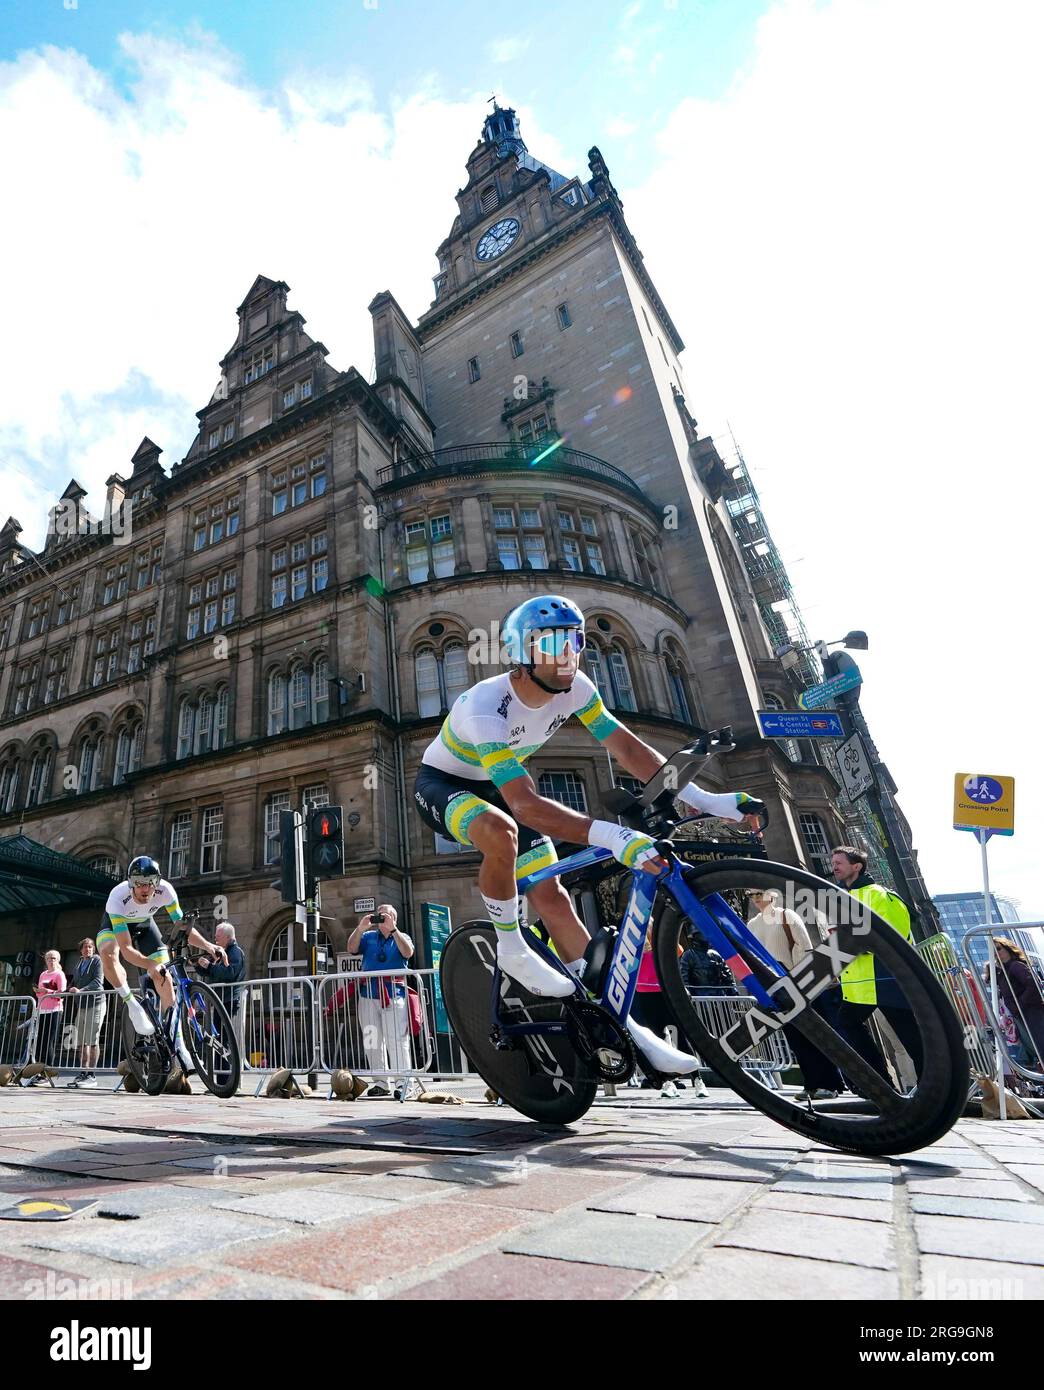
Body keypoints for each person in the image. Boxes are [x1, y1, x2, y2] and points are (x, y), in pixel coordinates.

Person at [412, 594, 763, 1081]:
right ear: (523, 651)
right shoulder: (485, 707)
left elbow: (624, 745)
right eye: (554, 642)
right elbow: (527, 803)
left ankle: (630, 1031)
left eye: (575, 642)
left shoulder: (576, 686)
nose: (567, 655)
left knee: (553, 896)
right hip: (445, 785)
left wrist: (706, 800)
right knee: (502, 829)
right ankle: (511, 947)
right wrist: (615, 837)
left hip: (497, 784)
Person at [97, 856, 227, 1074]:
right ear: (131, 883)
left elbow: (183, 927)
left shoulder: (165, 890)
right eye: (139, 883)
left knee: (165, 975)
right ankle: (132, 1005)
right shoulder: (117, 897)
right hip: (116, 926)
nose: (145, 889)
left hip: (146, 925)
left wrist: (208, 945)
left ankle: (178, 1044)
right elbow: (127, 949)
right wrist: (149, 964)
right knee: (108, 953)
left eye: (150, 883)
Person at [831, 845, 923, 1086]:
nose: (834, 867)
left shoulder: (880, 895)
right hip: (859, 986)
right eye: (833, 862)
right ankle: (880, 1085)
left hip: (886, 979)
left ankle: (934, 1085)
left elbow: (895, 936)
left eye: (839, 862)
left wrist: (850, 940)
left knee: (910, 1036)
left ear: (856, 866)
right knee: (847, 1025)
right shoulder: (840, 898)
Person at [746, 889, 843, 1100]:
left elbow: (804, 947)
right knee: (795, 1036)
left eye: (758, 893)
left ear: (771, 895)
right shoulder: (752, 924)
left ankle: (829, 1083)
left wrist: (799, 980)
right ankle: (811, 1083)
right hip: (774, 986)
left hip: (796, 981)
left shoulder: (786, 915)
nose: (755, 898)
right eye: (750, 895)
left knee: (816, 1033)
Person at [344, 905, 420, 1101]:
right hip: (368, 994)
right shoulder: (369, 937)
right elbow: (351, 948)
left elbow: (408, 952)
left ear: (394, 917)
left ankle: (404, 1082)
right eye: (379, 914)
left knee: (397, 1039)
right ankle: (380, 1082)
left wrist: (393, 929)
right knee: (372, 1040)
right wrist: (360, 928)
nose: (380, 917)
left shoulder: (402, 936)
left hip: (393, 994)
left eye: (385, 914)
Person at [992, 937, 1044, 1068]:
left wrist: (1019, 1004)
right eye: (993, 950)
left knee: (1040, 1045)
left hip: (1032, 1011)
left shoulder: (1015, 966)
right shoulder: (1002, 970)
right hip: (1021, 1014)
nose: (996, 952)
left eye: (999, 948)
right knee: (1034, 1048)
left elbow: (1033, 984)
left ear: (1008, 948)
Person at [66, 938, 106, 1088]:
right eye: (85, 947)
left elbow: (98, 982)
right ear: (81, 949)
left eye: (90, 947)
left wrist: (80, 991)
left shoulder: (97, 960)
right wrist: (67, 989)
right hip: (81, 1006)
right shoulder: (79, 963)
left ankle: (91, 1075)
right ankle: (83, 1072)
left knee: (92, 1039)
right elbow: (75, 982)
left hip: (95, 1004)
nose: (88, 949)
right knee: (82, 1041)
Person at [194, 922, 246, 1016]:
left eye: (218, 936)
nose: (215, 938)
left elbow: (230, 973)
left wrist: (209, 966)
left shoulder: (235, 952)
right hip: (221, 999)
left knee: (223, 1029)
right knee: (218, 1029)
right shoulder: (221, 952)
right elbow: (210, 972)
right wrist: (198, 965)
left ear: (228, 937)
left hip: (230, 999)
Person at [30, 950, 66, 1083]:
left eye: (54, 958)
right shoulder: (43, 974)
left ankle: (47, 1072)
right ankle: (39, 1071)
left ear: (58, 960)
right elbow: (39, 995)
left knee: (49, 1042)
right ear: (45, 960)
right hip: (42, 1010)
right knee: (40, 1042)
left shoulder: (60, 974)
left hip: (55, 1010)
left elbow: (62, 993)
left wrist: (48, 991)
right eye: (49, 958)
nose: (51, 961)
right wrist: (39, 995)